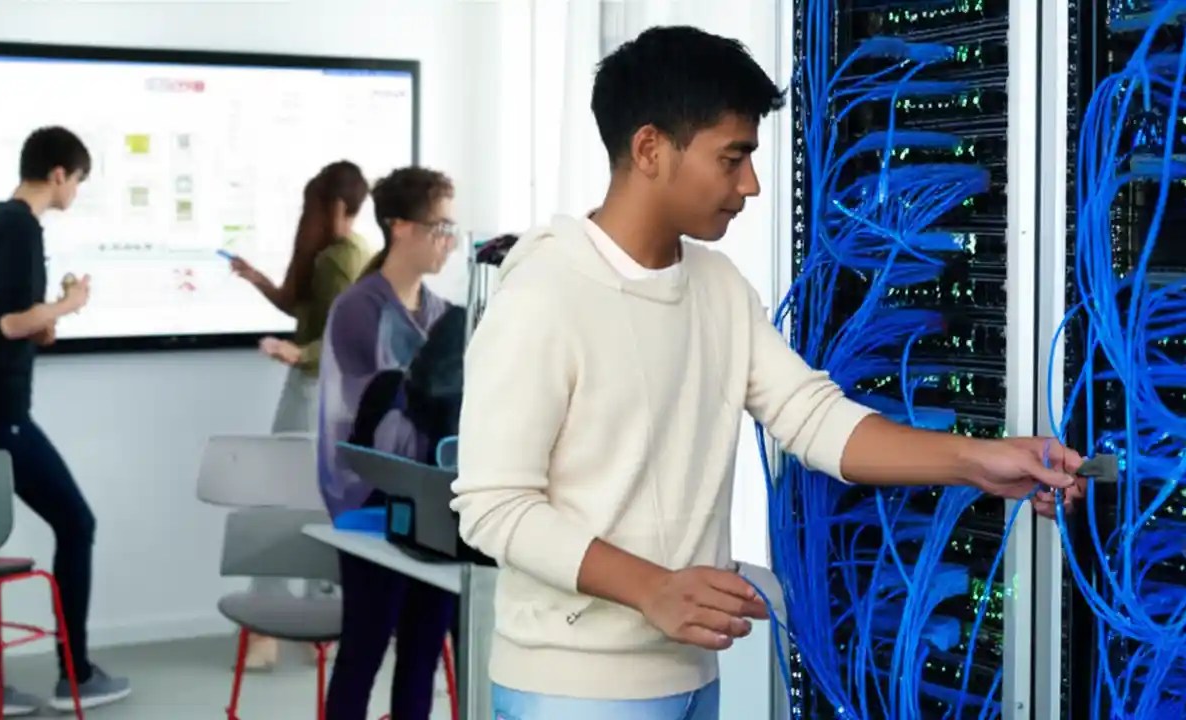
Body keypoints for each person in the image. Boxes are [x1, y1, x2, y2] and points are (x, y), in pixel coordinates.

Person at [449, 26, 1089, 719]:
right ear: (649, 149)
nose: (750, 185)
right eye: (733, 158)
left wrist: (974, 461)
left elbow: (812, 418)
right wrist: (650, 588)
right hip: (571, 690)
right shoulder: (543, 294)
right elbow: (492, 505)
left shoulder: (717, 288)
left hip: (689, 675)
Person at [0, 126, 132, 718]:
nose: (75, 192)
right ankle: (74, 675)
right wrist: (71, 304)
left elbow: (4, 321)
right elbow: (8, 324)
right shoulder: (22, 227)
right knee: (77, 523)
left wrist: (50, 318)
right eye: (78, 181)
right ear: (59, 174)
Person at [318, 166, 460, 720]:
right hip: (374, 502)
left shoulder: (444, 314)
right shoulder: (358, 309)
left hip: (435, 501)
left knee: (423, 653)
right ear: (400, 227)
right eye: (440, 226)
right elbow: (388, 404)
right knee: (364, 649)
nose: (448, 241)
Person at [225, 160, 371, 669]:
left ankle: (267, 631)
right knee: (315, 508)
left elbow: (342, 334)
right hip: (329, 396)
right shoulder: (345, 255)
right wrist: (258, 278)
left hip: (314, 394)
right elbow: (307, 315)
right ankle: (317, 626)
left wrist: (298, 355)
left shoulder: (340, 257)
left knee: (279, 505)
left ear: (333, 206)